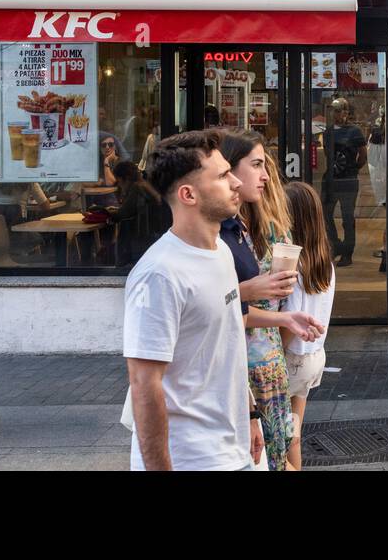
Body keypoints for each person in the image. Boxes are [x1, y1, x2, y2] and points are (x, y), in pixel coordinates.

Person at [123, 130, 262, 471]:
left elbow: (223, 346)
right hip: (191, 459)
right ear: (188, 194)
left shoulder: (221, 254)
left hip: (232, 450)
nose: (235, 183)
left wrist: (250, 413)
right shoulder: (160, 273)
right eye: (221, 176)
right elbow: (143, 383)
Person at [219, 130, 324, 470]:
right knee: (272, 454)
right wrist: (258, 297)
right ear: (228, 171)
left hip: (269, 361)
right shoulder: (219, 233)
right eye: (257, 165)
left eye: (266, 168)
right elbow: (214, 305)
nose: (265, 176)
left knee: (279, 450)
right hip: (244, 368)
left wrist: (282, 318)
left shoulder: (246, 229)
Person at [281, 181, 336, 470]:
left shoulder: (291, 266)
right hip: (314, 357)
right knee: (294, 434)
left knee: (275, 440)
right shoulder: (323, 261)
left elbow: (289, 322)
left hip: (290, 359)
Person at [321, 99, 367, 267]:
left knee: (348, 217)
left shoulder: (355, 131)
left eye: (340, 111)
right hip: (330, 179)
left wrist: (353, 169)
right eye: (334, 111)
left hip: (348, 180)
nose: (337, 114)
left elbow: (362, 155)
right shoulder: (328, 132)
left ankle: (348, 252)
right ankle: (336, 245)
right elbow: (327, 154)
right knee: (325, 215)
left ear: (347, 113)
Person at [109, 160, 165, 264]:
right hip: (149, 238)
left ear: (125, 178)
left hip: (138, 240)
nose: (119, 185)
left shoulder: (137, 188)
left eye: (119, 181)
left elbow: (125, 212)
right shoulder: (144, 184)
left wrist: (107, 213)